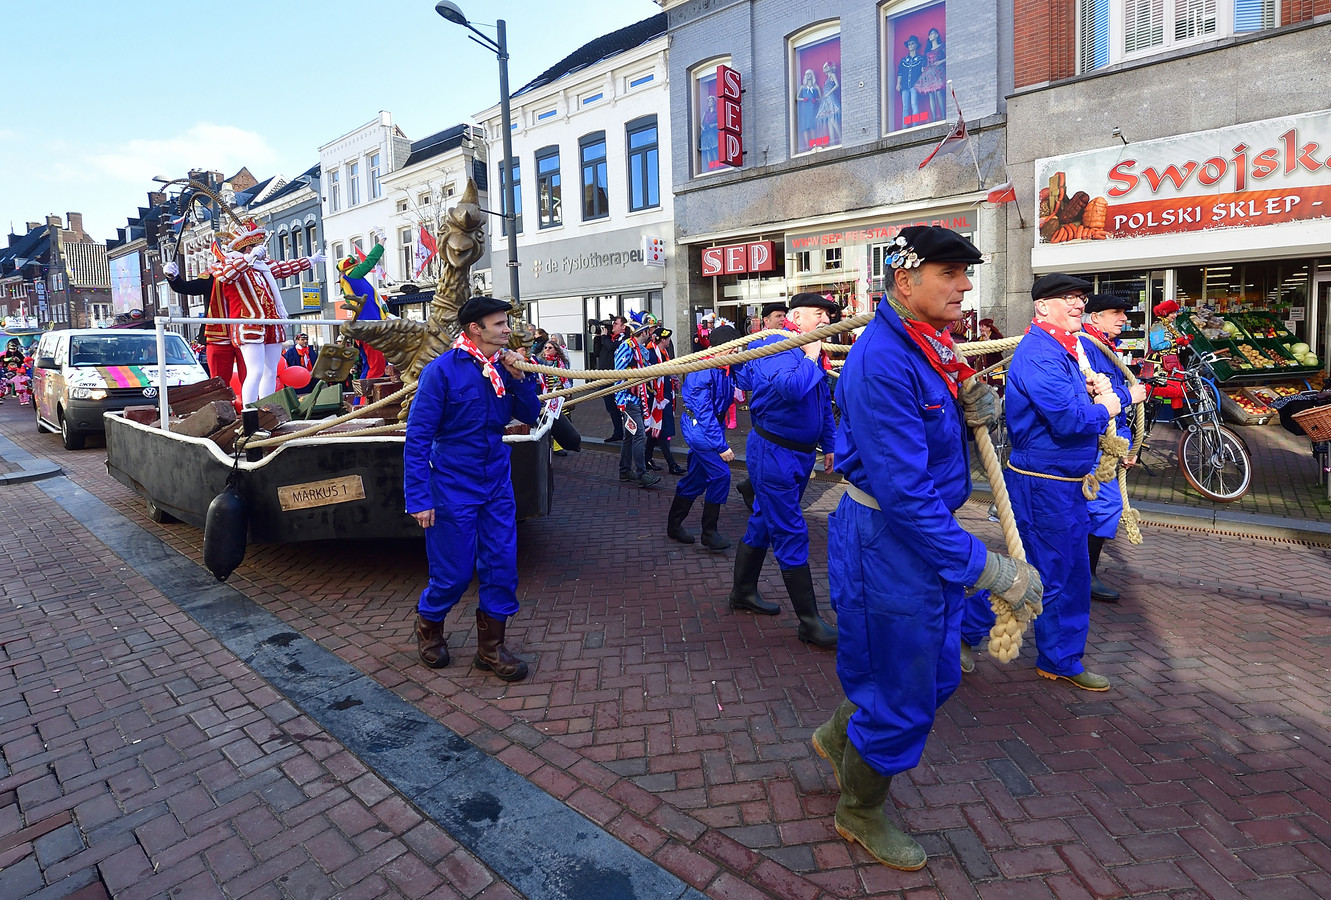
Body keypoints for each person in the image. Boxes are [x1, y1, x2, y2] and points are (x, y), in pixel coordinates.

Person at [813, 225, 1042, 872]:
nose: (965, 285)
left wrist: (978, 411)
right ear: (904, 280)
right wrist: (989, 568)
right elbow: (906, 496)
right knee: (905, 689)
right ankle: (857, 809)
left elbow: (932, 447)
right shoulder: (884, 360)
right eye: (949, 273)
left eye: (963, 273)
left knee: (936, 672)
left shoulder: (928, 343)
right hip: (890, 543)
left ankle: (838, 737)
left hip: (917, 540)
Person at [405, 295, 542, 683]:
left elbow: (532, 417)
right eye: (499, 324)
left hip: (496, 483)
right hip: (451, 485)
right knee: (454, 571)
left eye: (505, 323)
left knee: (501, 563)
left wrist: (521, 380)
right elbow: (417, 439)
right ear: (475, 330)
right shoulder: (441, 372)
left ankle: (491, 649)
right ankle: (429, 625)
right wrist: (419, 497)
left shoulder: (503, 370)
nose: (507, 330)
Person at [1005, 273, 1122, 692]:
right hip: (1044, 483)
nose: (1078, 304)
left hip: (1064, 480)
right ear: (1042, 307)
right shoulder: (1041, 353)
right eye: (1068, 298)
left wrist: (1093, 393)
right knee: (1048, 575)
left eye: (1081, 298)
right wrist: (1114, 403)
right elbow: (1070, 421)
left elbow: (1069, 408)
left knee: (1066, 574)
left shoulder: (1062, 349)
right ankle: (963, 631)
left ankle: (1060, 658)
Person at [728, 292, 839, 648]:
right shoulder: (776, 344)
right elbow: (791, 389)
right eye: (818, 313)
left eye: (828, 315)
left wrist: (830, 444)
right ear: (796, 315)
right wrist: (810, 355)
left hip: (798, 455)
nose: (825, 320)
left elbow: (820, 401)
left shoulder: (808, 350)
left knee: (763, 521)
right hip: (774, 453)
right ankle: (809, 622)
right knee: (791, 531)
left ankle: (742, 592)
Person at [1080, 294, 1149, 603]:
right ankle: (1083, 576)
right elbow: (1094, 395)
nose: (1123, 318)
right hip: (1095, 441)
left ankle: (1082, 572)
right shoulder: (1086, 348)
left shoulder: (1105, 348)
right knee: (1102, 507)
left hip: (1109, 439)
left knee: (1098, 508)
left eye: (1124, 313)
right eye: (1115, 313)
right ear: (1095, 317)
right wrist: (1129, 394)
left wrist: (1125, 445)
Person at [210, 219, 324, 404]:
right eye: (257, 246)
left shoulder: (263, 267)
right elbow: (228, 275)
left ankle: (268, 409)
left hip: (271, 323)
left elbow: (284, 267)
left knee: (270, 371)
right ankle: (249, 413)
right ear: (248, 248)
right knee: (255, 371)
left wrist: (309, 261)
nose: (263, 250)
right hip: (249, 325)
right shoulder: (226, 264)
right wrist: (248, 259)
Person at [668, 324, 741, 551]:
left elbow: (748, 382)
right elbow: (704, 413)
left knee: (697, 479)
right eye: (733, 348)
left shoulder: (727, 367)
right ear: (721, 348)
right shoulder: (703, 370)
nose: (737, 352)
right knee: (720, 475)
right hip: (699, 427)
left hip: (711, 425)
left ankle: (674, 525)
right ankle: (709, 532)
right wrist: (721, 446)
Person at [164, 261, 247, 391]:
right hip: (218, 335)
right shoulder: (212, 278)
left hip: (247, 334)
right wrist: (173, 278)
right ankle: (223, 408)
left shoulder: (250, 275)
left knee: (252, 376)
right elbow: (185, 287)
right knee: (219, 381)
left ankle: (252, 407)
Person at [615, 312, 661, 488]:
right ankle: (642, 473)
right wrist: (621, 401)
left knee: (629, 436)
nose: (653, 332)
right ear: (643, 331)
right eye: (650, 329)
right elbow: (619, 374)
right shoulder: (626, 347)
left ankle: (625, 470)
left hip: (637, 398)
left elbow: (646, 370)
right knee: (639, 434)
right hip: (628, 400)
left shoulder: (641, 349)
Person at [337, 232, 388, 380]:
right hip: (369, 327)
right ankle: (368, 401)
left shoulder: (349, 281)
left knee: (369, 366)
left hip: (366, 326)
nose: (361, 268)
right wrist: (381, 242)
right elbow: (370, 261)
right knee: (377, 368)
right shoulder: (353, 275)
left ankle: (361, 400)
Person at [644, 326, 685, 475]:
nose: (669, 341)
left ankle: (646, 459)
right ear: (662, 340)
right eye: (667, 339)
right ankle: (672, 464)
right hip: (657, 399)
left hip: (665, 396)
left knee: (654, 432)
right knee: (661, 431)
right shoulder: (651, 354)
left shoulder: (663, 352)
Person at [539, 340, 572, 457]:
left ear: (556, 350)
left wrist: (567, 392)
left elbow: (567, 378)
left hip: (559, 395)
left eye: (550, 348)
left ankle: (559, 446)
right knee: (547, 421)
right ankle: (550, 446)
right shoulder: (540, 362)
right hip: (546, 396)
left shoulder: (561, 363)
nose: (547, 349)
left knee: (561, 419)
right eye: (545, 347)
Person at [599, 318, 625, 442]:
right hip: (605, 378)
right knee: (611, 407)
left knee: (623, 408)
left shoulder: (624, 339)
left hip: (617, 379)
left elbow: (611, 347)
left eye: (616, 323)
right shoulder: (608, 338)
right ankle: (618, 432)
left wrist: (604, 338)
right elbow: (597, 352)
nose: (613, 326)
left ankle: (630, 433)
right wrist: (599, 337)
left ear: (623, 326)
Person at [915, 28, 947, 122]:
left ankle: (943, 115)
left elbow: (948, 56)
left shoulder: (942, 46)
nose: (931, 36)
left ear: (937, 35)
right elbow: (926, 61)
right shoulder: (928, 50)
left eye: (933, 33)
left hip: (938, 71)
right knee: (931, 94)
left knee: (938, 92)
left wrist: (941, 61)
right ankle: (933, 117)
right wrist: (923, 67)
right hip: (929, 72)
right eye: (930, 34)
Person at [895, 36, 926, 129]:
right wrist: (898, 83)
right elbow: (900, 72)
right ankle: (905, 126)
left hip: (915, 85)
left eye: (912, 43)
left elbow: (924, 72)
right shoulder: (903, 60)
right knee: (905, 106)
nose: (910, 46)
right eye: (909, 44)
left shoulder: (921, 58)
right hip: (905, 85)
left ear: (916, 45)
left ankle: (915, 124)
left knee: (914, 103)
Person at [816, 61, 841, 145]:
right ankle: (832, 142)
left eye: (826, 67)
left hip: (830, 98)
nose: (825, 69)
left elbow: (837, 85)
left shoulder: (832, 75)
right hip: (826, 99)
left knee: (833, 119)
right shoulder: (828, 78)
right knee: (830, 121)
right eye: (824, 67)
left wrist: (828, 93)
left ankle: (840, 138)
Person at [796, 69, 821, 151]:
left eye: (810, 74)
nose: (808, 76)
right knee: (805, 126)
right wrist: (803, 99)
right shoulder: (802, 87)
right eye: (807, 74)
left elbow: (820, 98)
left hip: (812, 108)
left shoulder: (816, 87)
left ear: (812, 75)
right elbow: (797, 98)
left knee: (812, 126)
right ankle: (807, 146)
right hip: (805, 108)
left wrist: (816, 100)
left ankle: (814, 144)